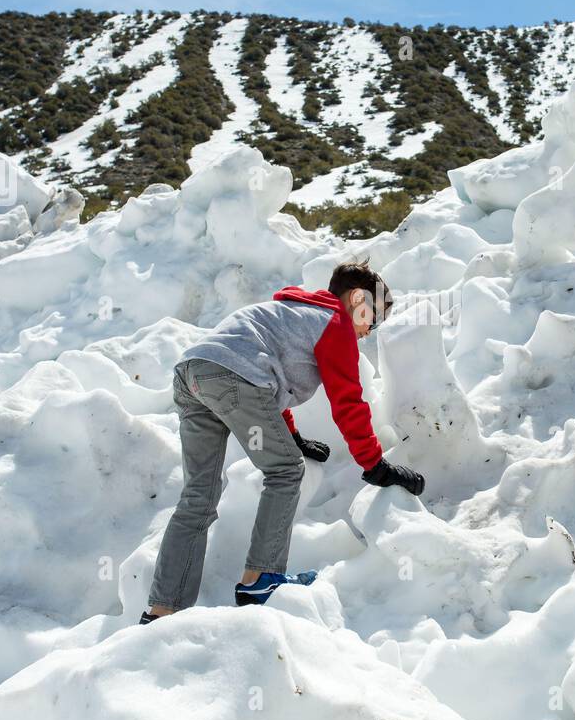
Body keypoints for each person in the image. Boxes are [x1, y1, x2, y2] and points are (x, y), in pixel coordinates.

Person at [142, 260, 426, 623]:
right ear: (356, 298)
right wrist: (374, 464)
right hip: (231, 376)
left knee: (198, 496)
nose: (371, 329)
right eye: (374, 317)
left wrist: (290, 435)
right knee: (286, 471)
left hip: (193, 374)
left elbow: (268, 376)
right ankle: (261, 579)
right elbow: (348, 402)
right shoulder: (335, 323)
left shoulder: (291, 312)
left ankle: (163, 609)